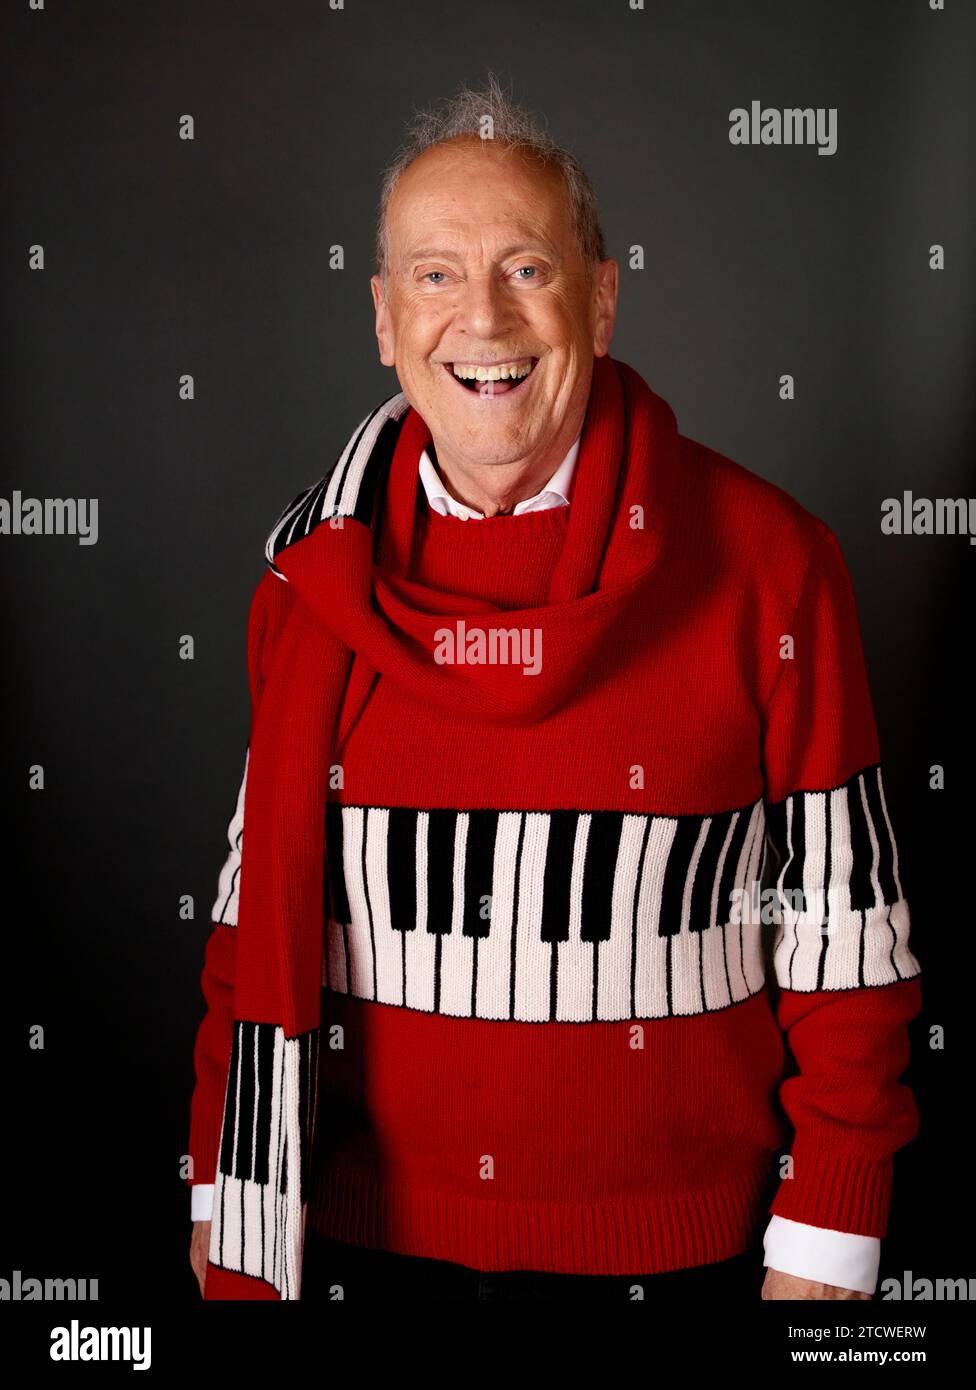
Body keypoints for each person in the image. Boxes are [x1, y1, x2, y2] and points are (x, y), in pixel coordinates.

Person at [186, 77, 922, 1302]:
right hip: (350, 1249)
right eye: (433, 275)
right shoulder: (305, 584)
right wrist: (223, 1193)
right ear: (382, 315)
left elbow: (845, 930)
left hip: (687, 1260)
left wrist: (827, 1240)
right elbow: (244, 922)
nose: (481, 316)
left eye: (526, 268)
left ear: (602, 292)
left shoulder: (773, 563)